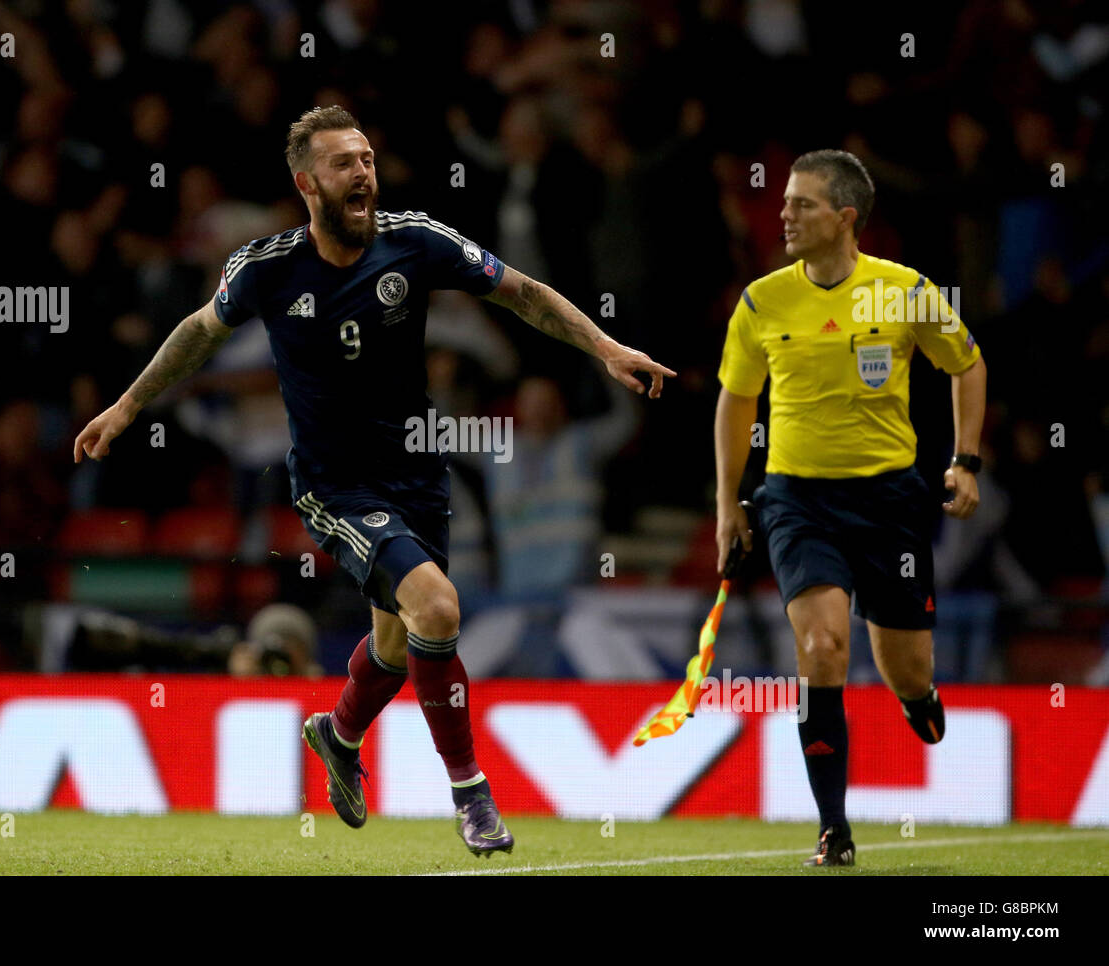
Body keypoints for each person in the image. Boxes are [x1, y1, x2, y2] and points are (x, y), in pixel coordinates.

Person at [74, 105, 675, 857]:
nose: (363, 173)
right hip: (335, 486)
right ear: (306, 183)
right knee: (439, 607)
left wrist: (605, 347)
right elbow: (200, 331)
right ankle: (471, 795)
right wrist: (128, 406)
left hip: (419, 477)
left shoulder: (415, 242)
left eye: (366, 159)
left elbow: (519, 291)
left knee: (397, 641)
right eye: (342, 164)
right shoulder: (265, 267)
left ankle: (338, 731)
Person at [713, 150, 987, 867]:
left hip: (891, 501)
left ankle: (916, 694)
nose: (784, 215)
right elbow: (736, 401)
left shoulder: (903, 292)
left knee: (906, 670)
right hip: (797, 500)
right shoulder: (762, 301)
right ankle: (834, 829)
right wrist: (726, 504)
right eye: (784, 203)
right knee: (822, 647)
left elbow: (967, 363)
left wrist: (966, 460)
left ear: (845, 218)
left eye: (803, 205)